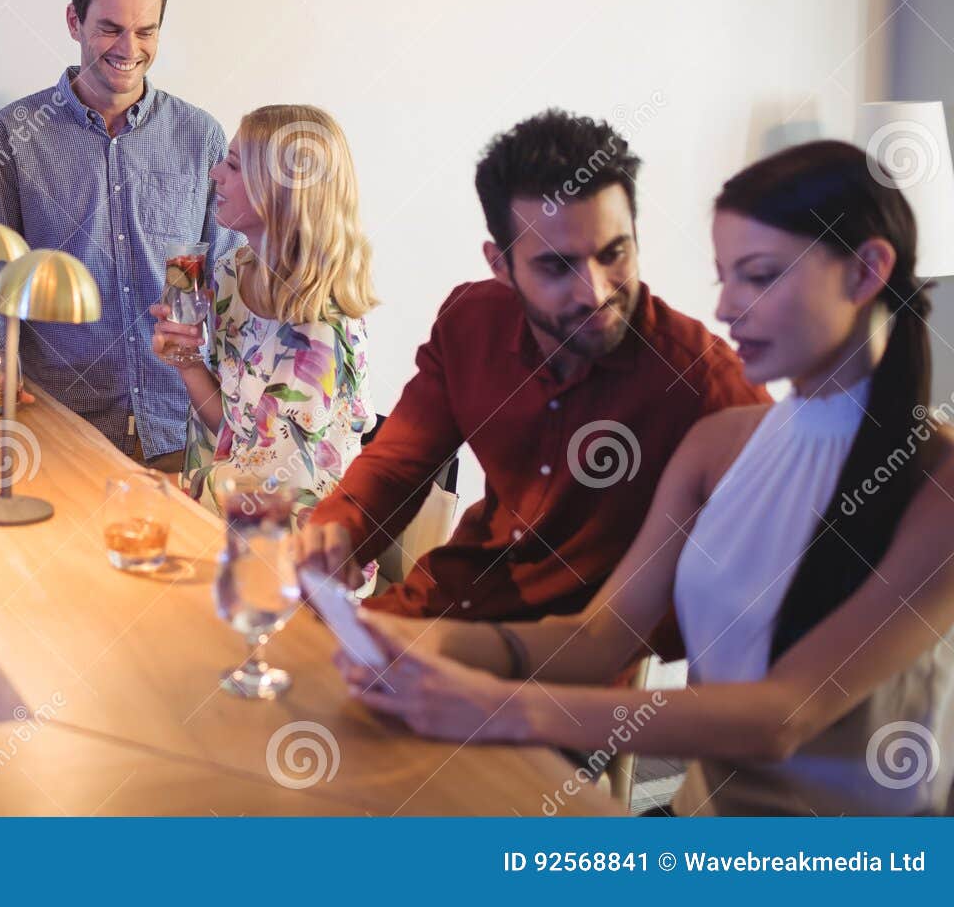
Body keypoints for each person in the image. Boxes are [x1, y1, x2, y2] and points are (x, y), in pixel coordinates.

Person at [337, 140, 954, 816]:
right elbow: (599, 636)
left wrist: (497, 706)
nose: (726, 307)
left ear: (867, 270)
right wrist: (423, 638)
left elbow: (781, 717)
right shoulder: (718, 445)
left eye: (758, 276)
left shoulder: (937, 479)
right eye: (725, 277)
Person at [294, 110, 768, 639]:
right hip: (439, 610)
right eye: (555, 266)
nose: (595, 291)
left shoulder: (704, 381)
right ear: (500, 264)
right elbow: (399, 465)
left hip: (564, 666)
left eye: (615, 253)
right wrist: (336, 533)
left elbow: (763, 571)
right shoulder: (470, 322)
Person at [0, 0, 240, 471]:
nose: (129, 47)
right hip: (56, 429)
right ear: (73, 21)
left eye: (146, 31)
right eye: (110, 28)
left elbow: (234, 282)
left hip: (181, 430)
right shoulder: (15, 133)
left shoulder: (203, 137)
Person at [149, 104, 374, 515]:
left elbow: (275, 480)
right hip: (230, 520)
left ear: (282, 190)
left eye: (233, 165)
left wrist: (165, 490)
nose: (214, 173)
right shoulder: (233, 275)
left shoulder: (319, 329)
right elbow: (234, 433)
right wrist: (186, 362)